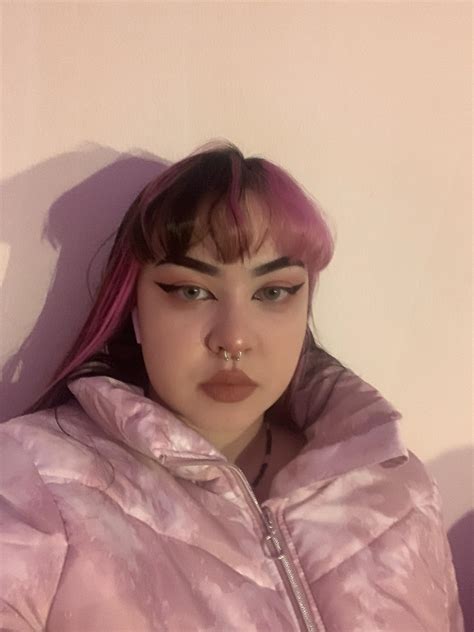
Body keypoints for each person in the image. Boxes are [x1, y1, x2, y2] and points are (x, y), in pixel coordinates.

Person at [0, 142, 463, 632]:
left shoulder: (396, 489)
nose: (234, 338)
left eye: (273, 292)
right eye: (192, 291)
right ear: (134, 311)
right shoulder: (34, 477)